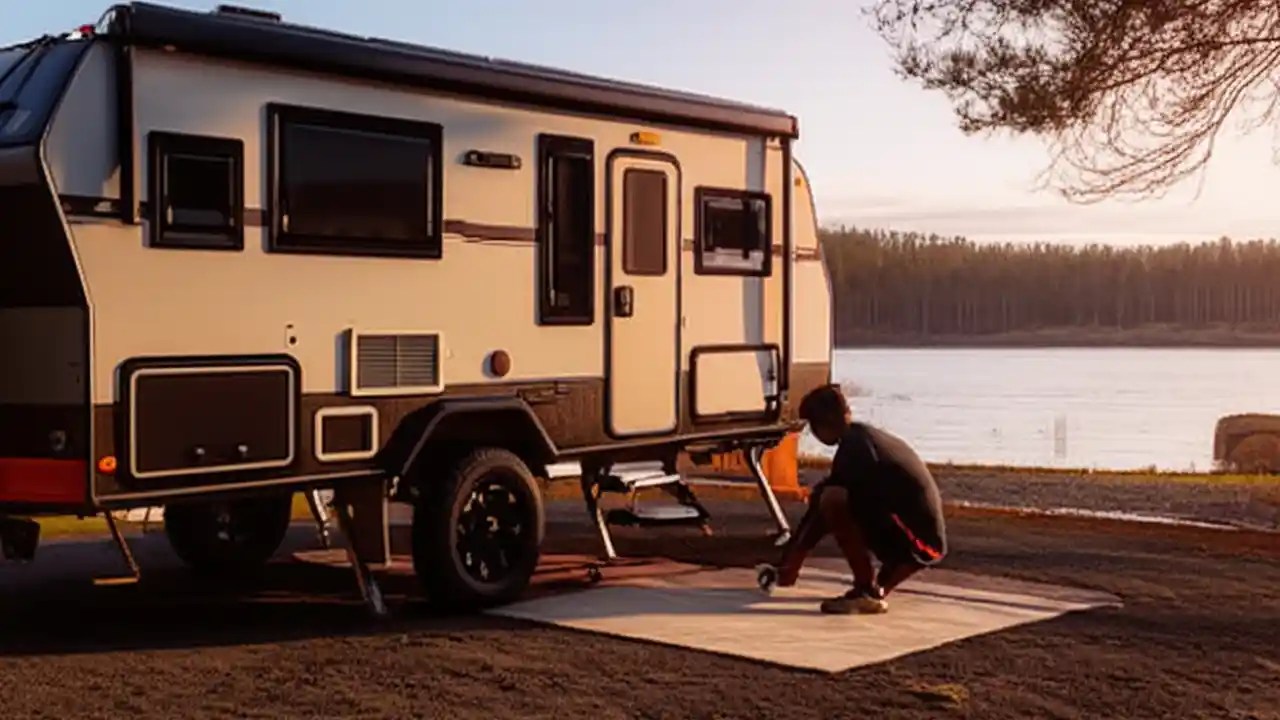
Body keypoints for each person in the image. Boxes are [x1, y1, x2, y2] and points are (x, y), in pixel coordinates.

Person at [774, 384, 947, 614]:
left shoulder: (856, 447)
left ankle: (865, 587)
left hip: (920, 542)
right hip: (921, 539)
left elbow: (825, 508)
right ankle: (873, 591)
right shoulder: (860, 437)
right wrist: (795, 554)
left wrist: (794, 558)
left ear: (822, 424)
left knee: (832, 499)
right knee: (831, 494)